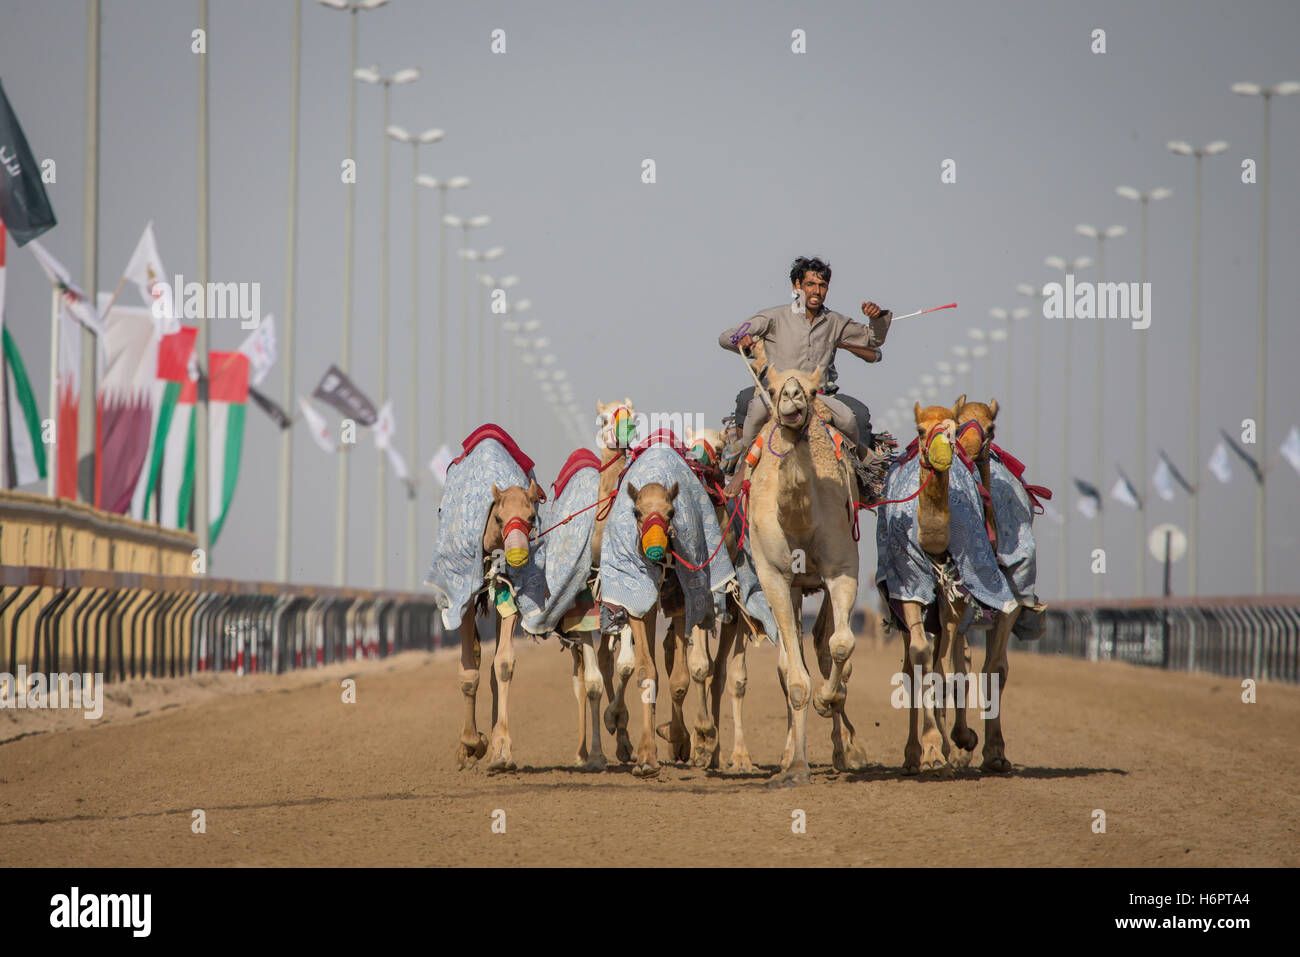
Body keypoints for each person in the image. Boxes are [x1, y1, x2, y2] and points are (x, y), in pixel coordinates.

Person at [719, 256, 892, 496]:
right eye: (810, 284)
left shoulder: (835, 322)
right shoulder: (773, 317)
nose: (816, 291)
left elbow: (873, 340)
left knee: (851, 420)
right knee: (754, 419)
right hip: (777, 397)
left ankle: (861, 477)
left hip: (816, 399)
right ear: (796, 286)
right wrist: (743, 340)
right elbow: (726, 337)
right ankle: (743, 468)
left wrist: (876, 318)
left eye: (822, 286)